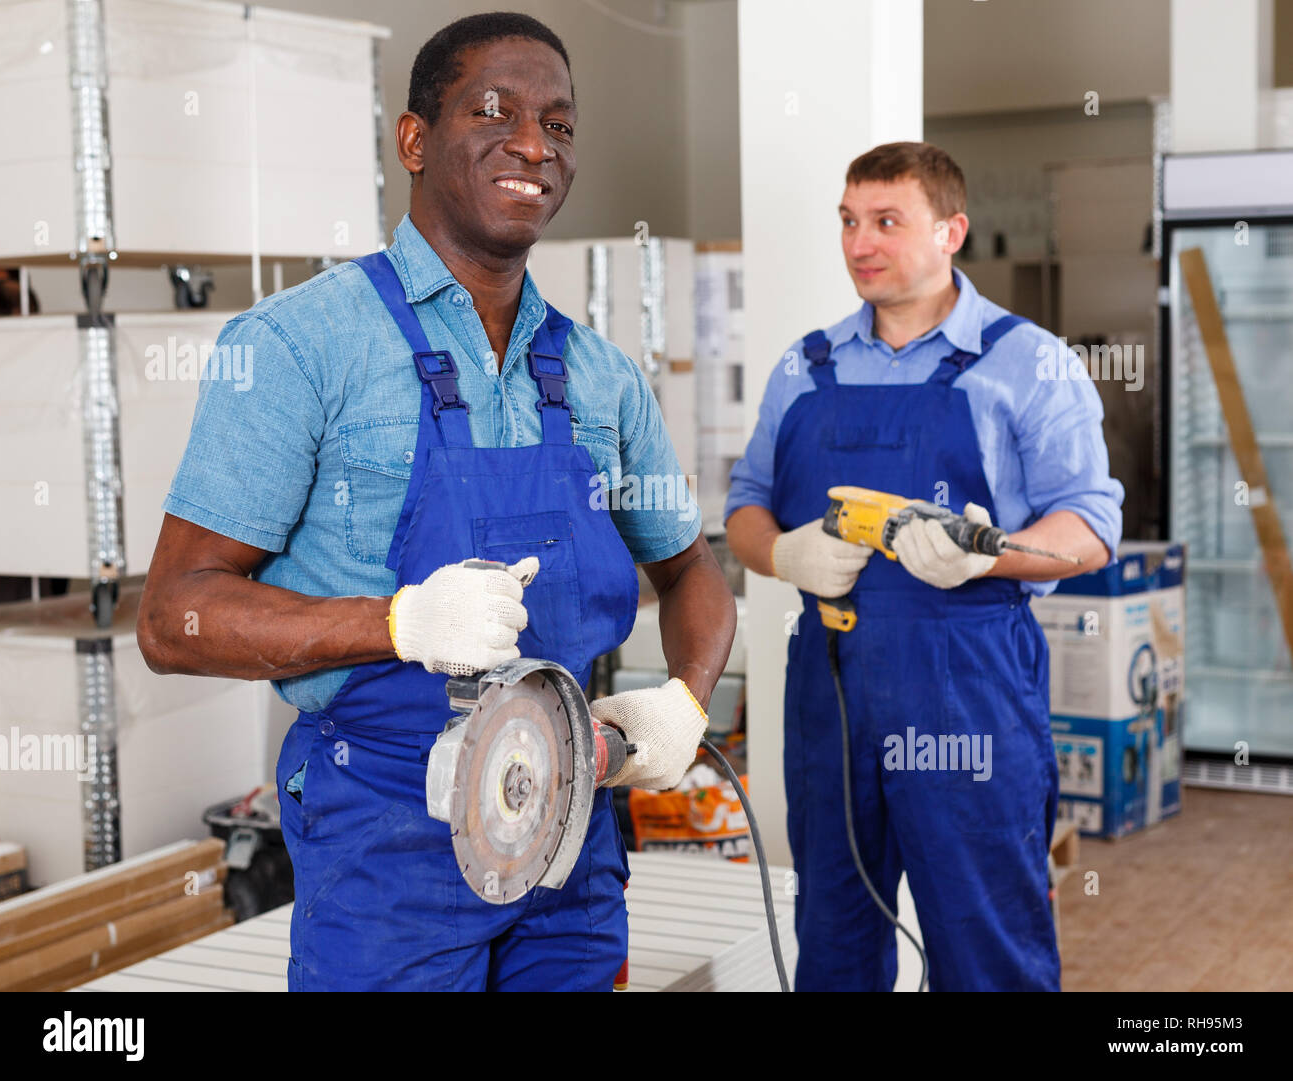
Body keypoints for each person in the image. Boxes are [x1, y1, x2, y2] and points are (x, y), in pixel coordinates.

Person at [137, 11, 735, 992]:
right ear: (413, 139)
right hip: (387, 841)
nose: (534, 144)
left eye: (560, 123)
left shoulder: (605, 380)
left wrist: (684, 698)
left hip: (569, 833)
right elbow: (173, 615)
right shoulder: (295, 348)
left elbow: (690, 567)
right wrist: (400, 620)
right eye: (493, 111)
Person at [724, 142, 1123, 992]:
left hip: (967, 689)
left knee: (986, 944)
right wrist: (783, 550)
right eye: (848, 221)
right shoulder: (806, 366)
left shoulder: (1028, 362)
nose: (860, 242)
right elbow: (745, 507)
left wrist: (986, 556)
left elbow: (1089, 526)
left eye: (887, 221)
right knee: (832, 939)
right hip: (830, 688)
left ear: (952, 231)